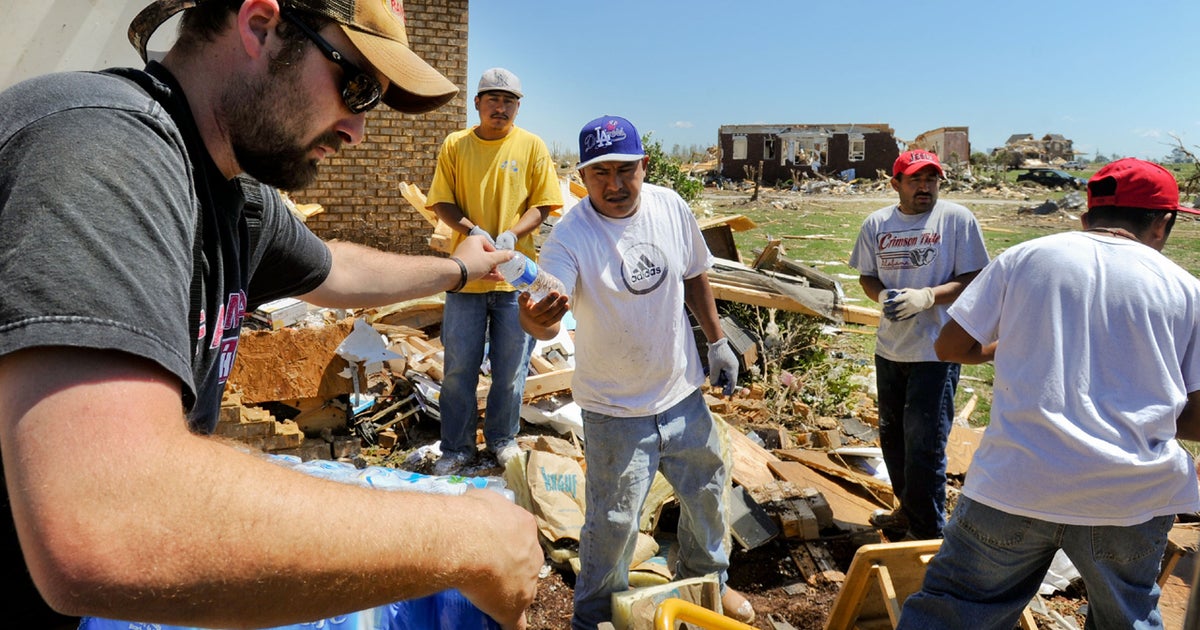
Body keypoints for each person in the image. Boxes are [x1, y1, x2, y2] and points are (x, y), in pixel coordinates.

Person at [0, 1, 543, 628]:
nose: (357, 131)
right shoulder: (97, 150)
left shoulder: (233, 192)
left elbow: (336, 269)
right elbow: (106, 520)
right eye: (358, 86)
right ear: (261, 26)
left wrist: (460, 268)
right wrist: (462, 540)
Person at [898, 158, 1200, 629]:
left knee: (954, 610)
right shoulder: (1186, 289)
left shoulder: (1026, 257)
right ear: (1162, 224)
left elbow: (951, 345)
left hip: (1016, 482)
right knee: (1127, 618)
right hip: (1128, 497)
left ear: (1086, 217)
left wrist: (1011, 348)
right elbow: (1197, 419)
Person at [517, 115, 755, 629]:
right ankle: (595, 616)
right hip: (615, 412)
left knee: (708, 499)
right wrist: (535, 317)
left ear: (644, 166)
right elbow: (542, 301)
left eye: (625, 169)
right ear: (583, 177)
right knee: (612, 524)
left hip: (682, 396)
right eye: (600, 173)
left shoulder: (671, 207)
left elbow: (695, 274)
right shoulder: (570, 235)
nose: (615, 184)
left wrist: (717, 343)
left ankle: (708, 589)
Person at [426, 66, 563, 475]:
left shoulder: (532, 146)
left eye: (509, 102)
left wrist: (511, 233)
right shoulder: (456, 145)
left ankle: (502, 440)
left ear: (518, 107)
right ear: (478, 104)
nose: (500, 108)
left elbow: (543, 203)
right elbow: (441, 202)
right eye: (493, 100)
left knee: (510, 371)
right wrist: (473, 231)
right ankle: (456, 447)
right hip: (465, 279)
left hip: (515, 282)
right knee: (457, 371)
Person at [848, 149, 989, 541]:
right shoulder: (876, 224)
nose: (925, 187)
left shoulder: (956, 220)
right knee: (893, 440)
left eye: (931, 179)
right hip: (890, 349)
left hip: (936, 351)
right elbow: (867, 276)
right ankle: (906, 512)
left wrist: (927, 297)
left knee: (925, 445)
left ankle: (928, 536)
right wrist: (882, 298)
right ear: (896, 183)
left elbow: (975, 276)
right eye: (915, 180)